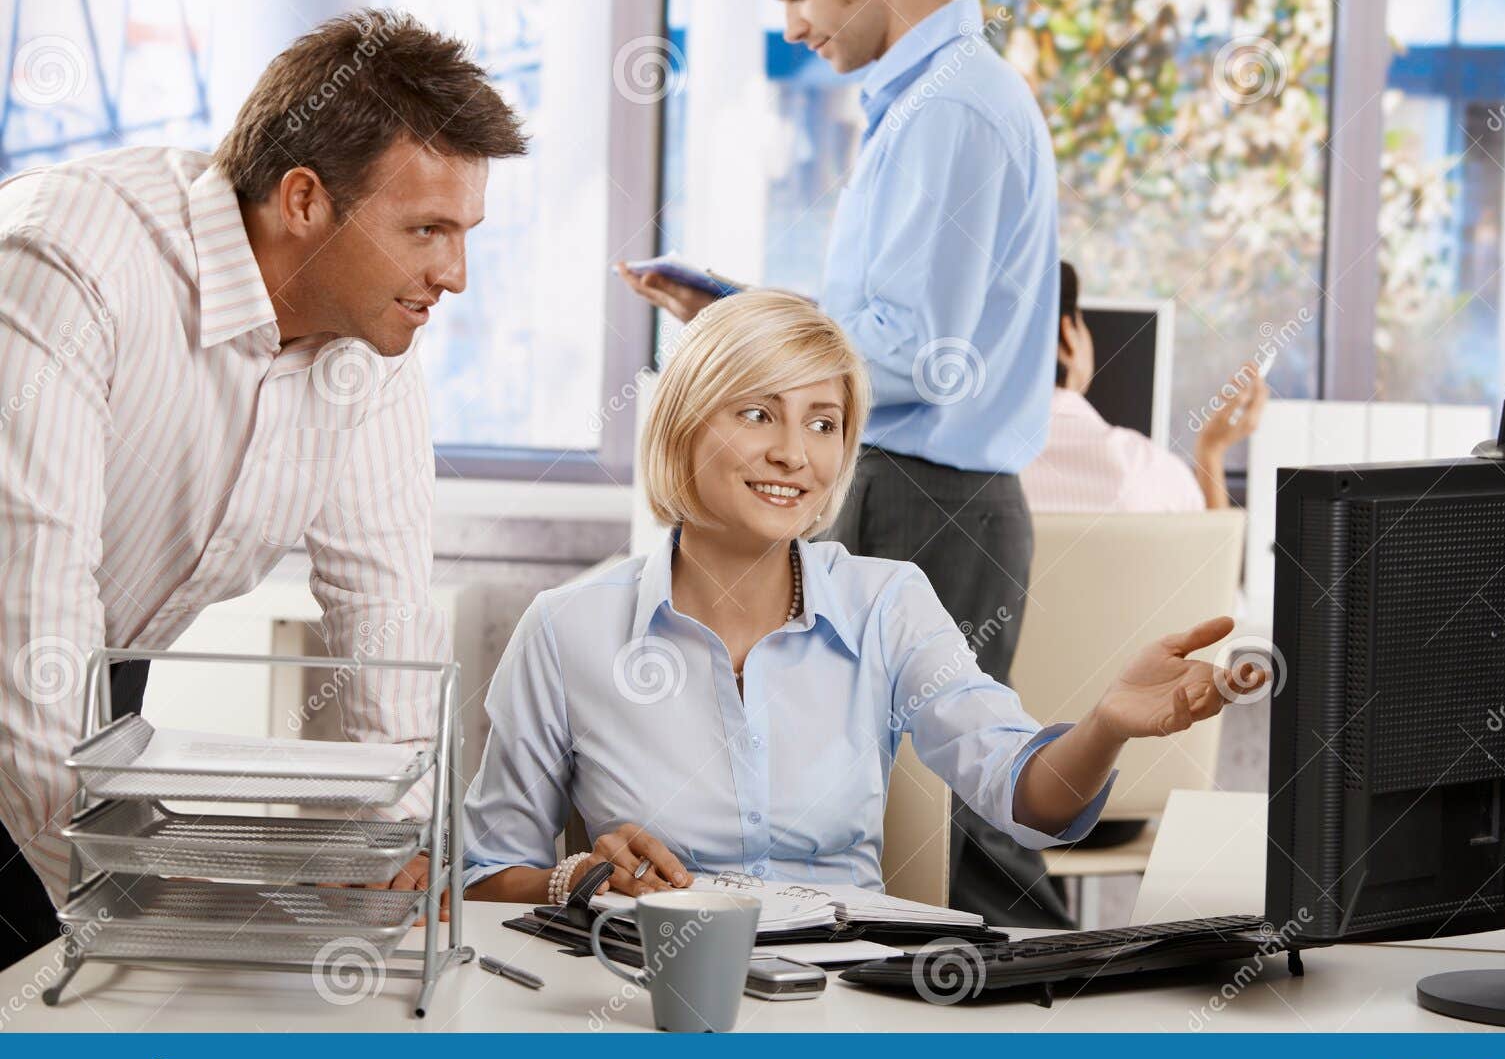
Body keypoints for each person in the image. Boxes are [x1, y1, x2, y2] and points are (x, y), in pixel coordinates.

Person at [0, 9, 526, 970]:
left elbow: (385, 619)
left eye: (465, 232)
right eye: (426, 231)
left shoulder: (368, 333)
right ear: (302, 201)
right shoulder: (69, 261)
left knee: (106, 992)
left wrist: (393, 858)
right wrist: (162, 904)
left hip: (94, 676)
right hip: (28, 653)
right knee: (55, 995)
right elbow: (30, 633)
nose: (454, 275)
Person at [459, 292, 1262, 906]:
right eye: (756, 413)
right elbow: (483, 874)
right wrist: (578, 878)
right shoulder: (567, 630)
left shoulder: (887, 601)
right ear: (682, 427)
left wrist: (1105, 727)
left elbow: (1028, 798)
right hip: (653, 1003)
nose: (792, 453)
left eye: (824, 423)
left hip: (840, 1002)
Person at [620, 0, 1068, 927]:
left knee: (956, 818)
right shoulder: (931, 99)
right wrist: (742, 315)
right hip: (922, 484)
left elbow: (917, 354)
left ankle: (1068, 1015)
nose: (789, 25)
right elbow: (898, 330)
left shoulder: (950, 109)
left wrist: (760, 333)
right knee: (923, 814)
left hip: (926, 492)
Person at [1022, 263, 1269, 514]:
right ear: (1068, 334)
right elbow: (1213, 549)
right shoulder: (1149, 473)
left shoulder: (988, 473)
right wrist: (1211, 451)